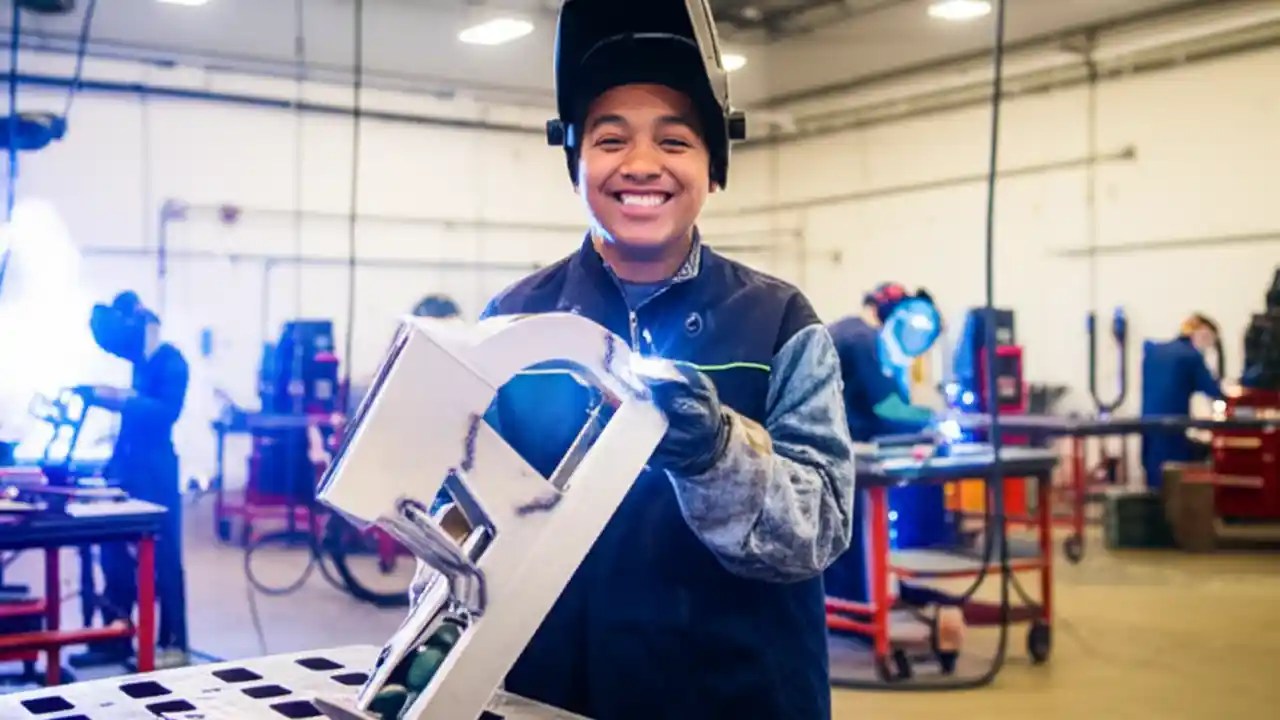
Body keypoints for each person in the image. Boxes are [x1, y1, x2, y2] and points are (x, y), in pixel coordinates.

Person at [381, 2, 857, 718]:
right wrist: (428, 639)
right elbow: (454, 512)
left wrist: (717, 455)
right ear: (574, 159)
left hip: (738, 695)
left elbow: (818, 530)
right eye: (610, 139)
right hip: (547, 697)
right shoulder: (512, 324)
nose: (641, 165)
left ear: (712, 167)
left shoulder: (780, 324)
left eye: (674, 141)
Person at [824, 282, 966, 666]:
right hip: (845, 458)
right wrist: (935, 422)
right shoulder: (863, 340)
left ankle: (849, 610)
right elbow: (887, 409)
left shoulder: (849, 332)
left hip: (834, 456)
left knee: (844, 546)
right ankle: (859, 614)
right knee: (859, 540)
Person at [70, 291, 190, 670]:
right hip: (126, 466)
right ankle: (116, 636)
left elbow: (165, 413)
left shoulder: (171, 361)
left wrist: (118, 399)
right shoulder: (141, 362)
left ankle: (174, 640)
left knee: (163, 554)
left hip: (157, 471)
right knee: (114, 549)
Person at [1140, 313, 1224, 489]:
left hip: (1147, 428)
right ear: (1202, 333)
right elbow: (1213, 391)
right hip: (1174, 431)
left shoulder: (1154, 352)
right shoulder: (1191, 357)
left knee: (1154, 482)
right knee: (1177, 482)